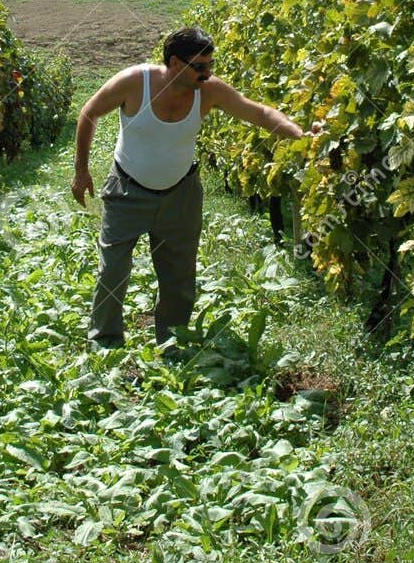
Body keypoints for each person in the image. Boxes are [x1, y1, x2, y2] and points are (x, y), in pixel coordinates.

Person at [71, 26, 312, 348]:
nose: (207, 73)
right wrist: (81, 171)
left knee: (179, 277)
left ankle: (172, 343)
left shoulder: (209, 91)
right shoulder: (134, 82)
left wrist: (300, 135)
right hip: (126, 191)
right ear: (174, 63)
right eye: (199, 66)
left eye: (210, 65)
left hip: (180, 196)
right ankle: (105, 341)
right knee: (112, 271)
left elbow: (260, 112)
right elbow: (89, 112)